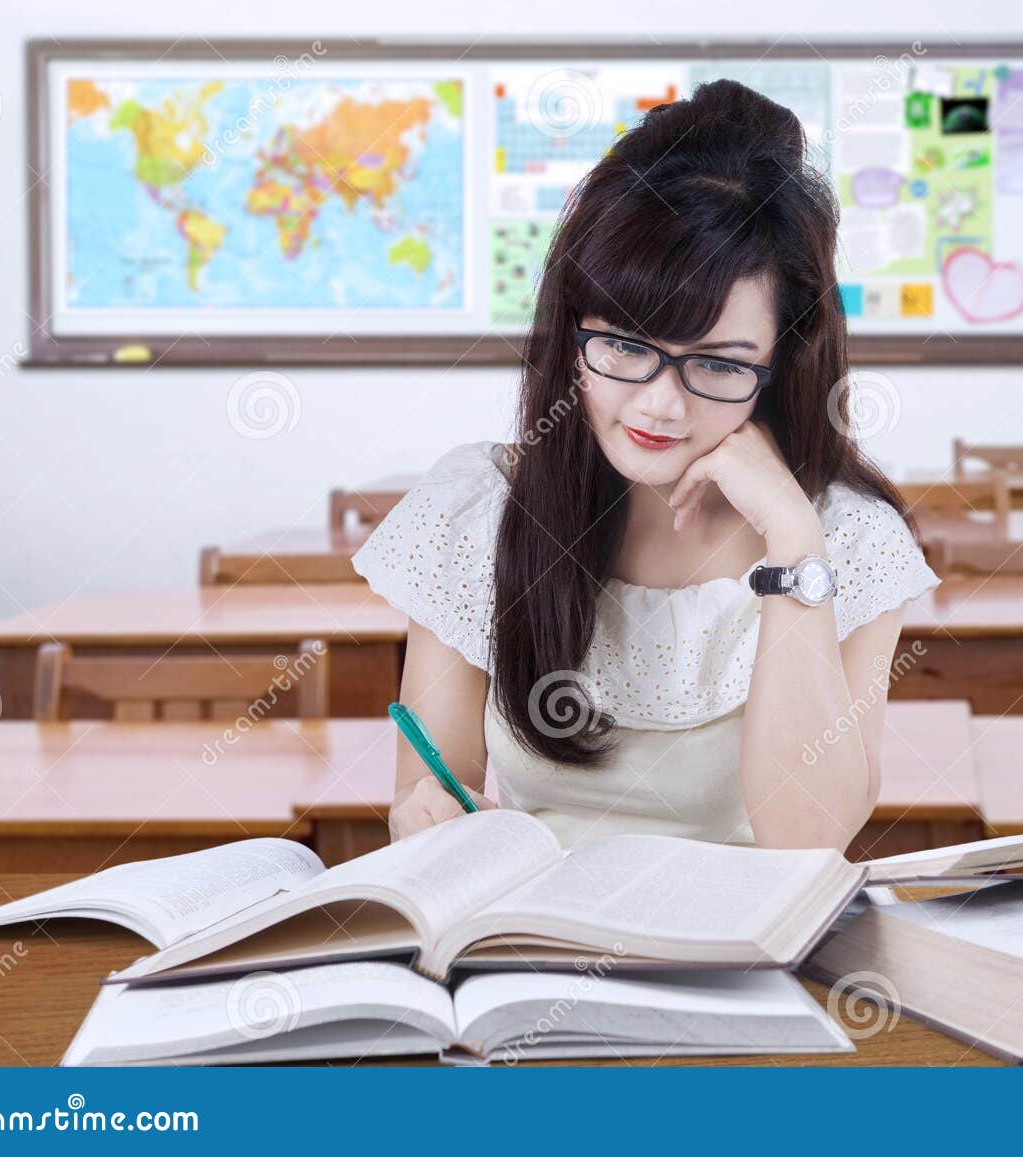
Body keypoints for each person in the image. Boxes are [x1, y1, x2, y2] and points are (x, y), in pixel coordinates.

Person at [353, 79, 939, 854]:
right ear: (573, 332)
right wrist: (426, 818)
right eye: (626, 346)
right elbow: (433, 803)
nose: (660, 406)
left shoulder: (848, 541)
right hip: (530, 949)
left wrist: (793, 538)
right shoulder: (477, 512)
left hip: (740, 957)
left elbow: (809, 839)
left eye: (718, 364)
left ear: (783, 362)